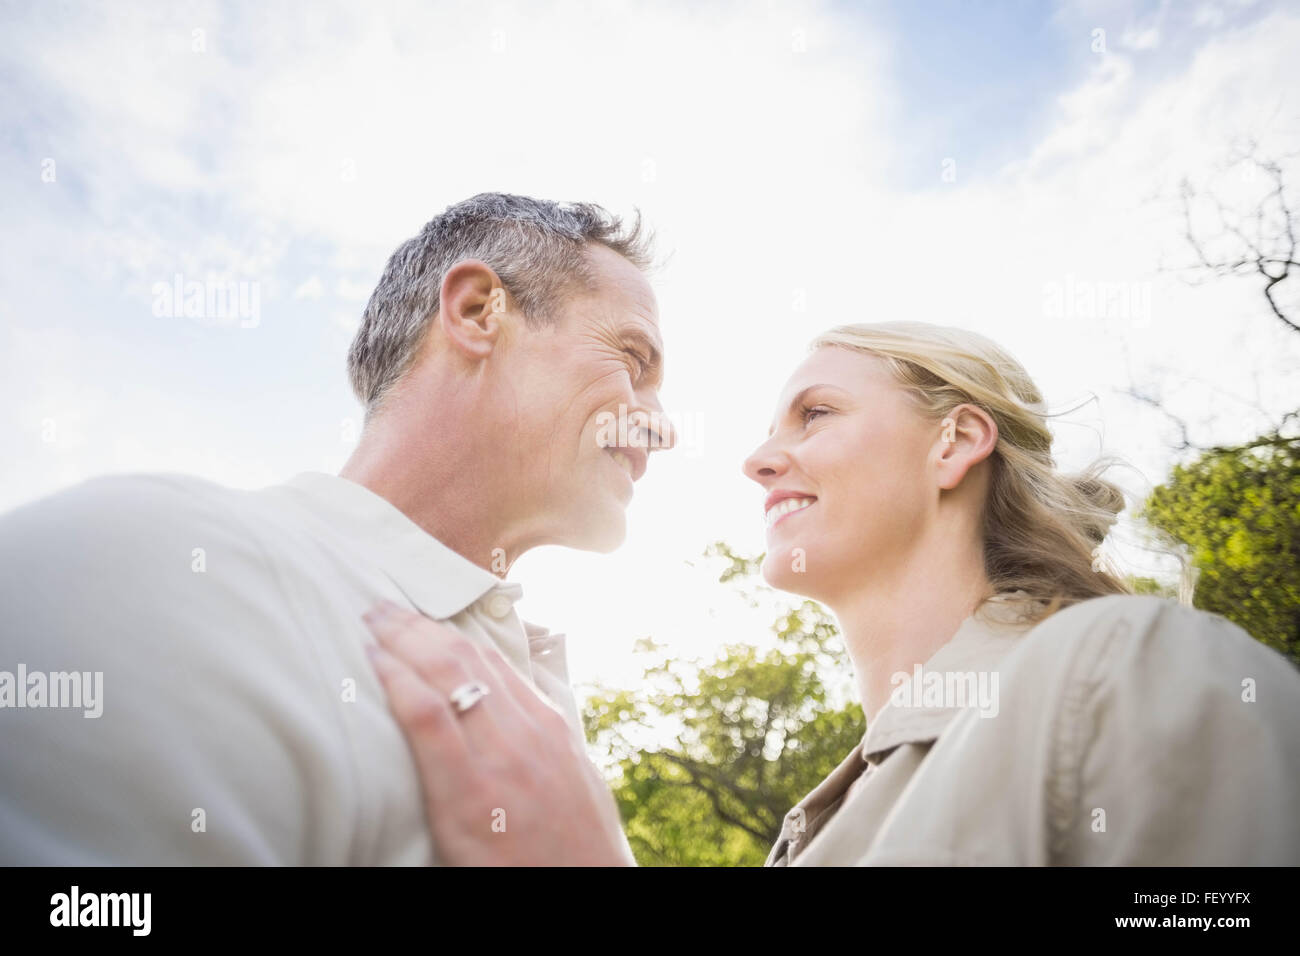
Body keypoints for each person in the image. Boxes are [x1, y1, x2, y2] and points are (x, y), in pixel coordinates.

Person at [365, 320, 1300, 866]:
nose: (759, 457)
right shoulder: (821, 828)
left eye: (816, 414)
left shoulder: (1123, 669)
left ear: (954, 443)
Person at [0, 192, 670, 864]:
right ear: (476, 312)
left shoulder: (544, 700)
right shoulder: (147, 567)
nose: (661, 426)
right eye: (635, 361)